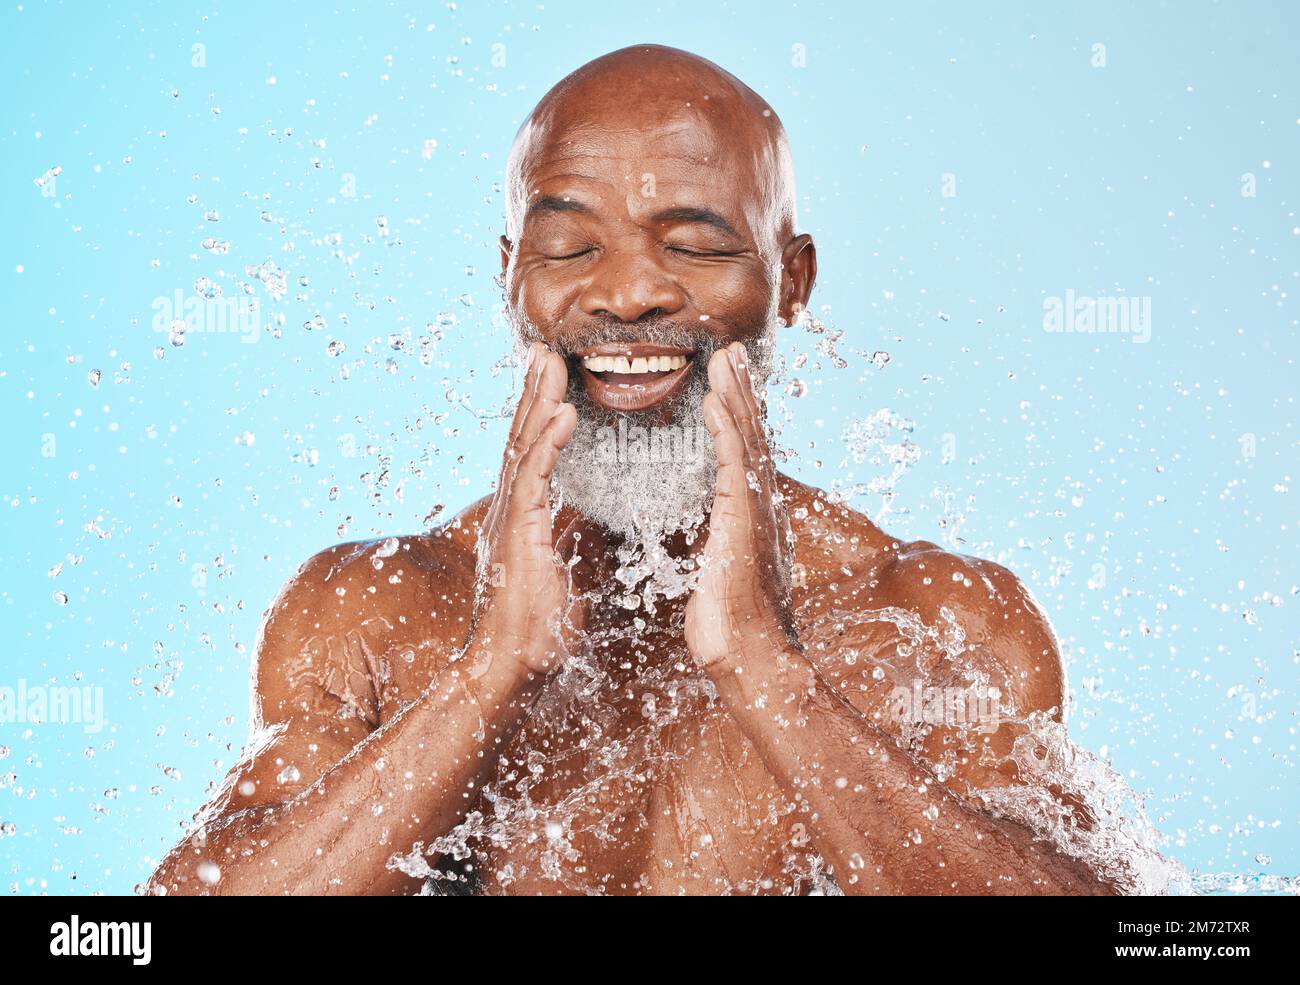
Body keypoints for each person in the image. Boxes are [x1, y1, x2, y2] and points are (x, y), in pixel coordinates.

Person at [148, 44, 1112, 896]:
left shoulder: (932, 626)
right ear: (511, 275)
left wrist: (772, 675)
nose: (629, 294)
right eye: (570, 247)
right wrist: (487, 674)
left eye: (694, 245)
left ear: (793, 281)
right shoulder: (372, 619)